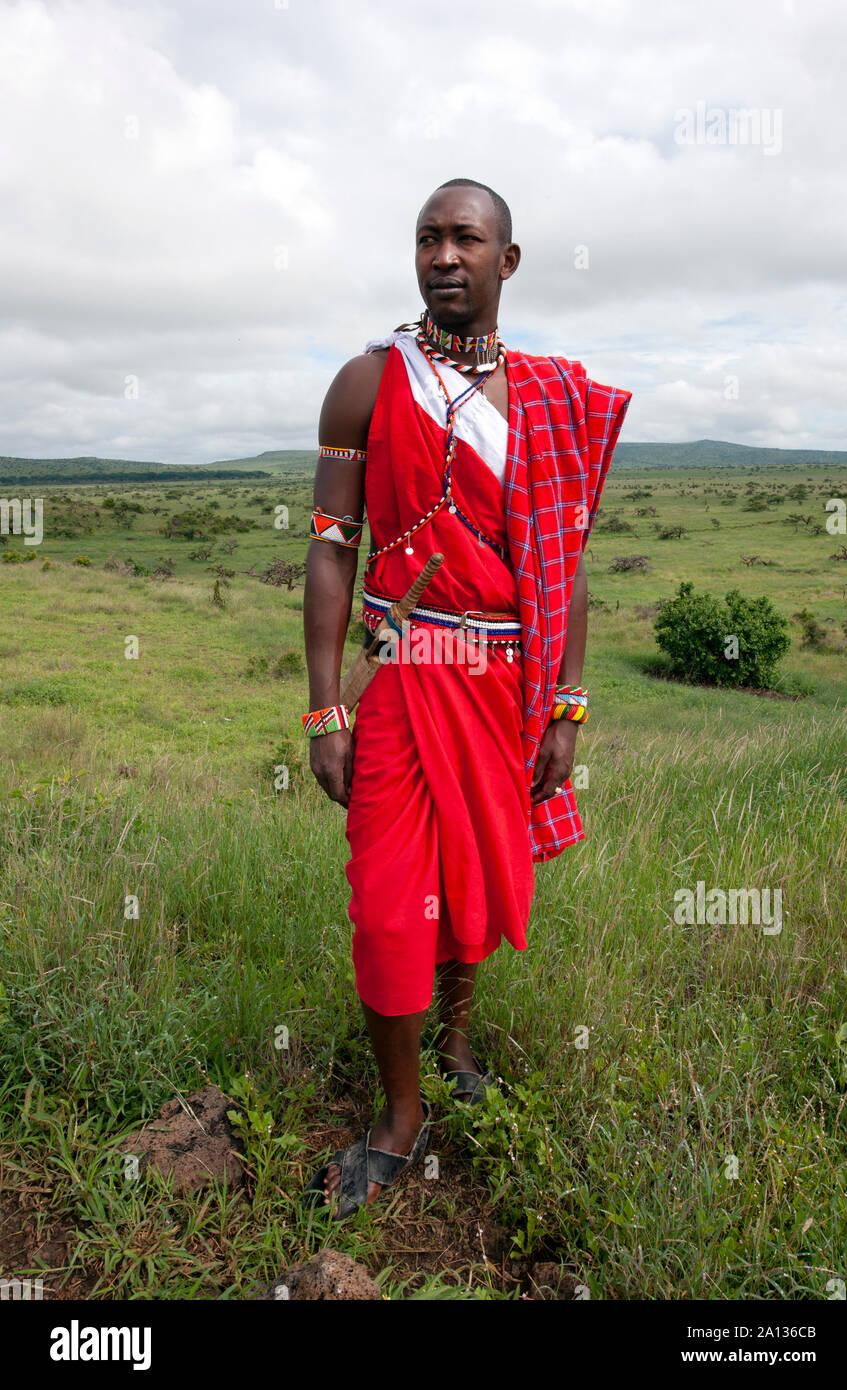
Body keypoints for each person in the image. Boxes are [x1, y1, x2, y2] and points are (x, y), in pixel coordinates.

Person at [301, 178, 631, 1220]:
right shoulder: (364, 382)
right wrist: (323, 707)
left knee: (475, 880)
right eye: (426, 239)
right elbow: (328, 549)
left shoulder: (548, 398)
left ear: (507, 260)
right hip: (403, 682)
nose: (443, 256)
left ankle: (454, 1042)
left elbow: (564, 563)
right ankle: (400, 1114)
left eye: (465, 239)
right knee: (390, 903)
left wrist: (567, 709)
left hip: (505, 688)